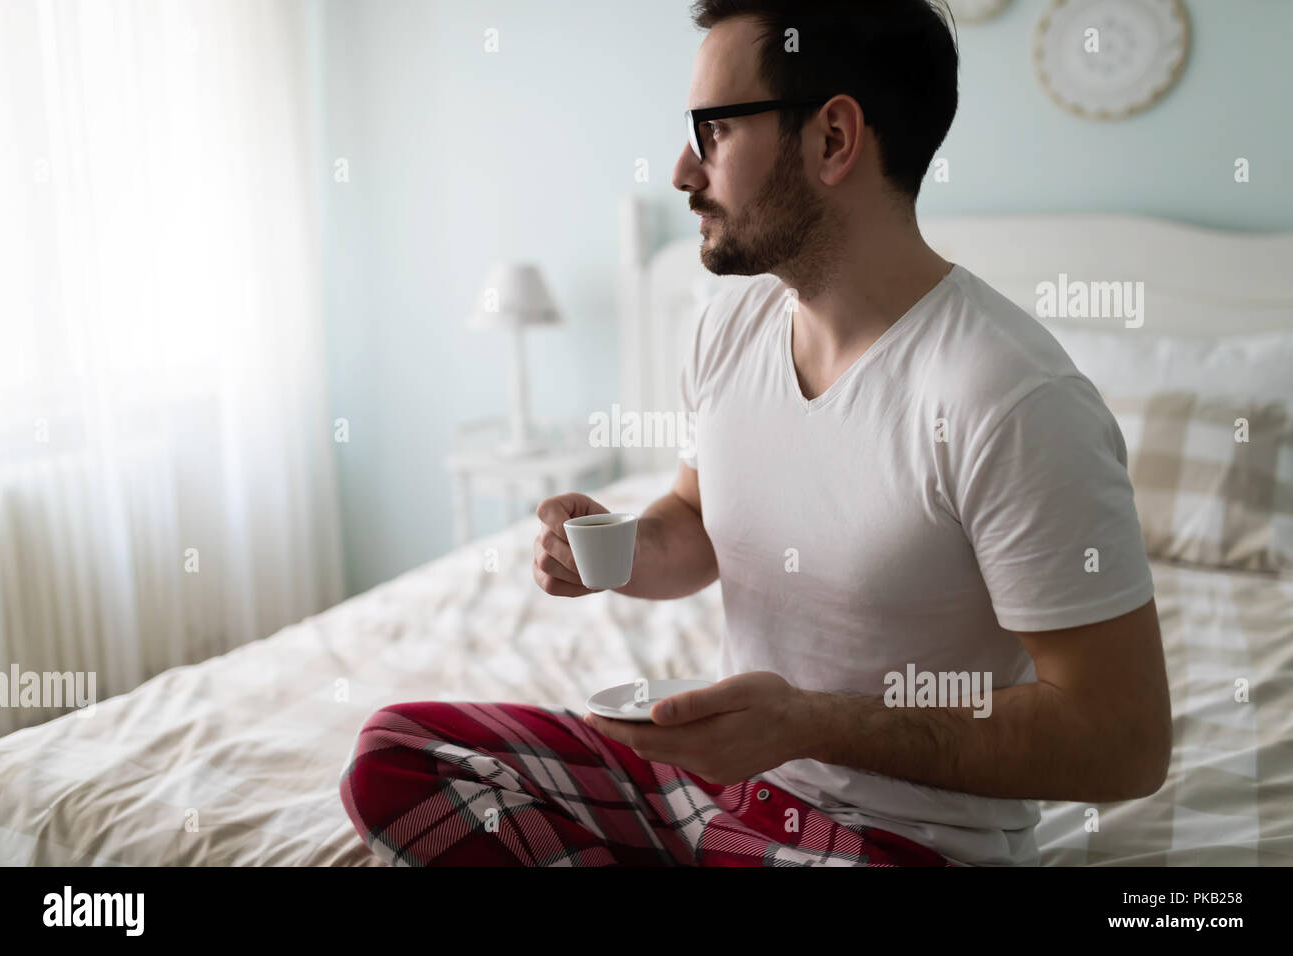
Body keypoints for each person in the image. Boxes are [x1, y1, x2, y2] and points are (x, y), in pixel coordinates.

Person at [340, 0, 1171, 867]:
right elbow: (699, 523)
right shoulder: (727, 327)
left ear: (832, 140)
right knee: (397, 754)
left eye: (713, 133)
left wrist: (807, 725)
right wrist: (618, 547)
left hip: (889, 840)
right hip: (722, 789)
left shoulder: (1008, 396)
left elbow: (1121, 739)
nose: (679, 172)